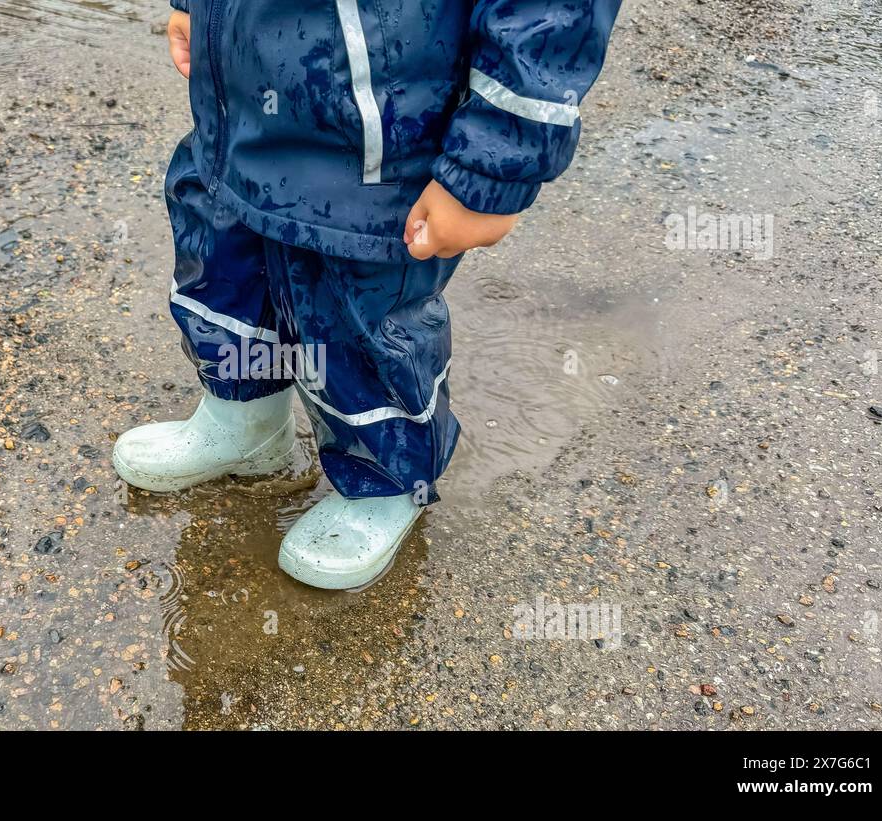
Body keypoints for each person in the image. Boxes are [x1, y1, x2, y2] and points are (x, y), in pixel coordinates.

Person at [113, 0, 622, 589]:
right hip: (240, 104)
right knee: (227, 258)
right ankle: (243, 421)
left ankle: (386, 479)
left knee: (358, 310)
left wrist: (495, 161)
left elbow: (553, 15)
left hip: (380, 127)